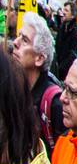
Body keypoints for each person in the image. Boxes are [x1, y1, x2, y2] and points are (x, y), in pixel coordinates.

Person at [12, 13, 64, 153]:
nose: (15, 43)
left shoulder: (55, 103)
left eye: (25, 40)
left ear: (39, 58)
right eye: (18, 36)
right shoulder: (12, 88)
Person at [54, 2, 77, 81]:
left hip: (66, 72)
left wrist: (61, 67)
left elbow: (73, 54)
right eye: (63, 9)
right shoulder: (62, 27)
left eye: (66, 10)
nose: (63, 12)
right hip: (58, 68)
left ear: (72, 15)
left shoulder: (75, 31)